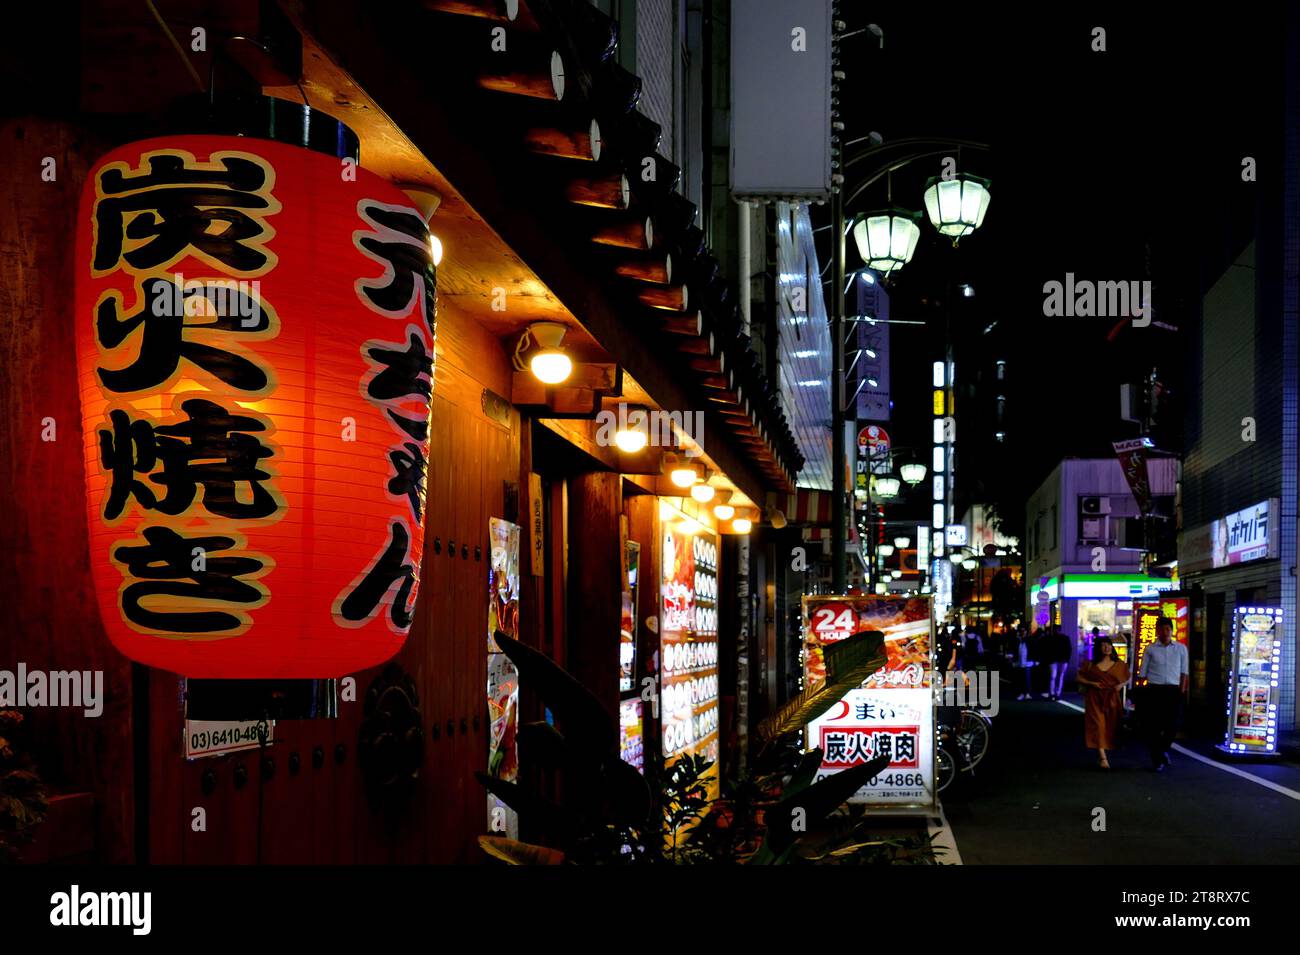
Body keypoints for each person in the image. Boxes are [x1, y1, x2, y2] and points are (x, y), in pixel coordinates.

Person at [1138, 615, 1188, 771]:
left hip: (1173, 691)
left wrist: (1182, 691)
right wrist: (1141, 693)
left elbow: (1184, 672)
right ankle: (1157, 760)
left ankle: (1163, 750)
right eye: (1162, 629)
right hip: (1154, 690)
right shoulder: (1150, 649)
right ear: (1157, 631)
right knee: (1154, 726)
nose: (1165, 632)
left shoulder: (1181, 648)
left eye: (1168, 629)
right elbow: (1142, 673)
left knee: (1173, 725)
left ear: (1172, 630)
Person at [1076, 636, 1129, 768]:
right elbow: (1079, 677)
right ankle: (1103, 757)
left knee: (1110, 725)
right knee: (1098, 725)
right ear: (1098, 648)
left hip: (1112, 698)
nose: (1106, 648)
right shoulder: (1090, 664)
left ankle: (1103, 751)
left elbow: (1128, 677)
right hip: (1094, 698)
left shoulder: (1120, 664)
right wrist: (1092, 683)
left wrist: (1121, 685)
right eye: (1103, 645)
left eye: (1108, 645)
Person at [1046, 625, 1072, 700]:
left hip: (1054, 659)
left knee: (1053, 676)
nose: (1056, 631)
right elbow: (1069, 649)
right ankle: (1057, 693)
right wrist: (1067, 659)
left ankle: (1053, 693)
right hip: (1062, 659)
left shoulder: (1050, 638)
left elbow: (1047, 650)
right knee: (1059, 676)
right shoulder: (1065, 638)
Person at [1012, 627, 1036, 700]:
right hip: (1019, 662)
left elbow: (1033, 650)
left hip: (1027, 662)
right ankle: (1022, 693)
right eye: (1021, 631)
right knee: (1020, 679)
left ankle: (1027, 693)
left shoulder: (1029, 640)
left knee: (1027, 679)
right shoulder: (1017, 640)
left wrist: (1035, 660)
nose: (1023, 632)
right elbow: (1014, 650)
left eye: (1024, 631)